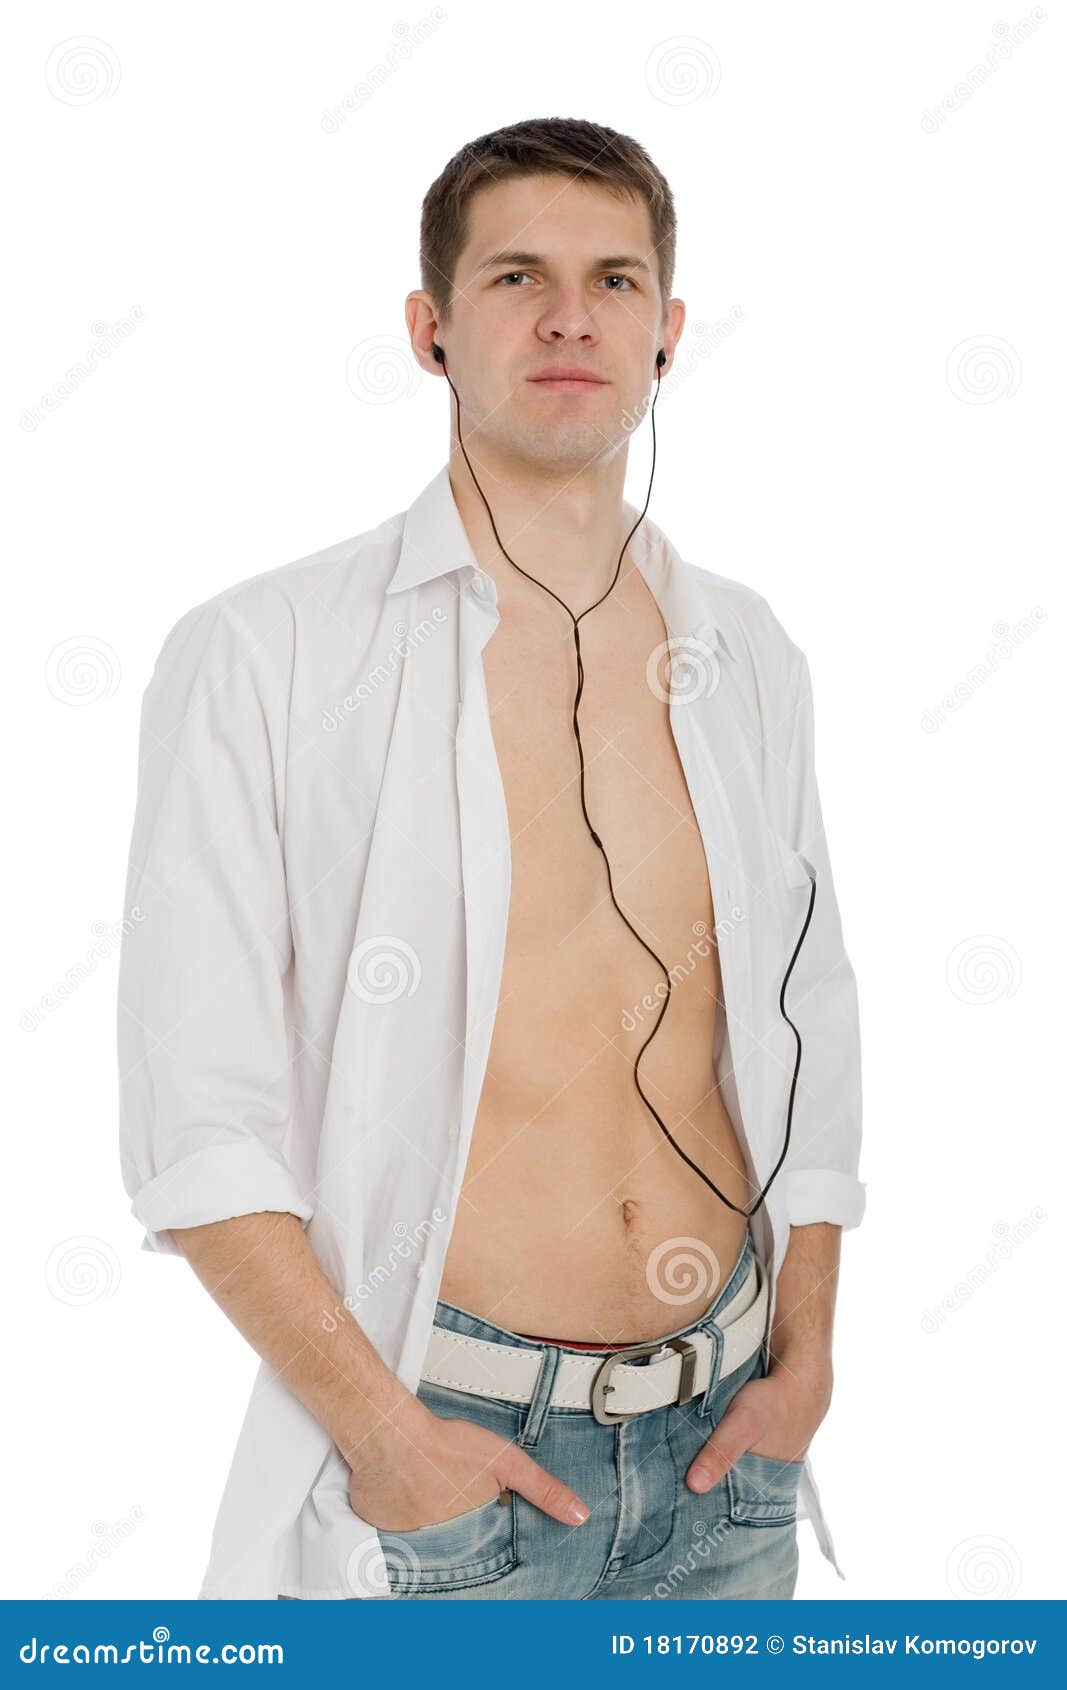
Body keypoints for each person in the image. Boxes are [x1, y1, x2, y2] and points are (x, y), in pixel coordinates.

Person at [117, 116, 865, 1602]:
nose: (572, 315)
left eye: (614, 279)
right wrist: (387, 1436)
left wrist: (809, 1362)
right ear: (431, 329)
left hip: (732, 1456)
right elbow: (195, 1125)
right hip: (448, 1470)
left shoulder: (748, 654)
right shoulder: (266, 654)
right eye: (518, 275)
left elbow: (809, 1023)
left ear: (667, 335)